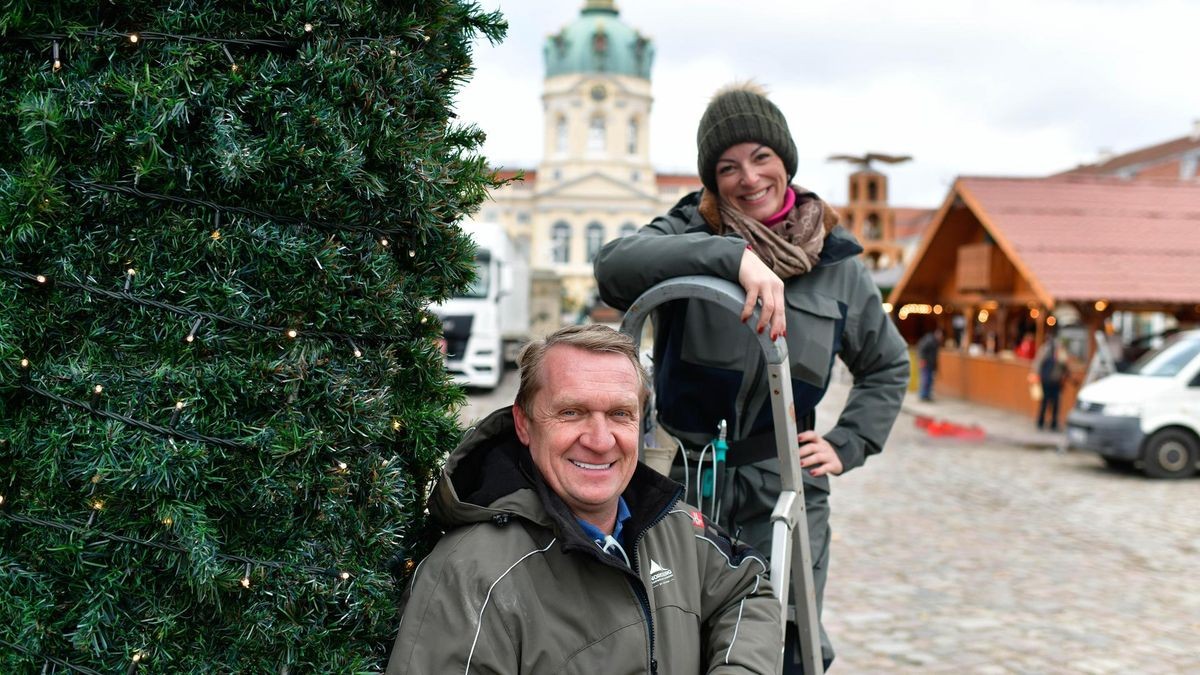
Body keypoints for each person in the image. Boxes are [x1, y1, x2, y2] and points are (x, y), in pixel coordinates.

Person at [594, 82, 910, 672]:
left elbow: (887, 365)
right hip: (686, 479)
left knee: (786, 634)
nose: (749, 178)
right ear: (712, 181)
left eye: (761, 157)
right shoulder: (690, 228)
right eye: (727, 166)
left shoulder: (838, 265)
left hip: (783, 481)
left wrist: (849, 442)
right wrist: (729, 258)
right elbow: (613, 268)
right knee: (675, 631)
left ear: (785, 160)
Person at [387, 324, 781, 674]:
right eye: (572, 412)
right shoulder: (469, 577)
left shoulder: (674, 526)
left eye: (620, 414)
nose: (599, 440)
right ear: (524, 423)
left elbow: (747, 588)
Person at [1032, 335, 1070, 430]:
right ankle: (1042, 422)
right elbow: (1038, 363)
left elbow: (1065, 366)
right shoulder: (1047, 349)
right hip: (1048, 380)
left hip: (1054, 381)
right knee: (1047, 402)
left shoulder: (1055, 351)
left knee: (1053, 403)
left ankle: (1051, 423)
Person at [916, 328, 943, 401]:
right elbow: (921, 349)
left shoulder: (935, 342)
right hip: (925, 363)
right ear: (936, 333)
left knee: (929, 380)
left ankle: (926, 395)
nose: (941, 337)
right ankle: (923, 395)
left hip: (930, 364)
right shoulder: (929, 340)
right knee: (925, 379)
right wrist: (922, 360)